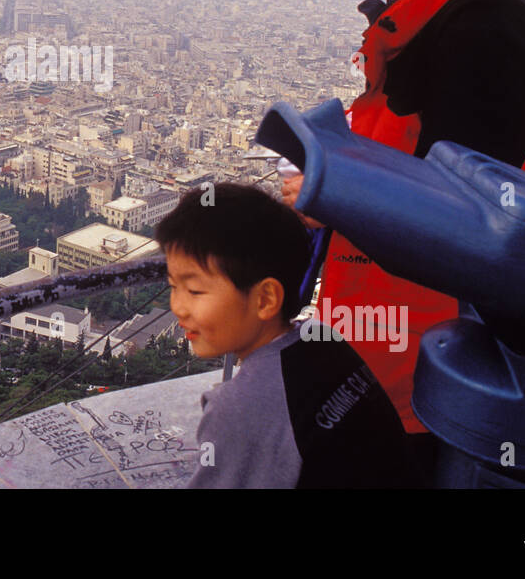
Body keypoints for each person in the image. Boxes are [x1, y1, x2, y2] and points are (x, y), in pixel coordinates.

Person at [281, 0, 525, 480]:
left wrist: (332, 190)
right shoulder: (438, 12)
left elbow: (464, 225)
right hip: (388, 359)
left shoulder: (476, 32)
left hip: (413, 377)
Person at [157, 182, 414, 489]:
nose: (178, 307)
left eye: (195, 290)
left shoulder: (237, 410)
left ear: (265, 299)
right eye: (174, 287)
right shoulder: (326, 341)